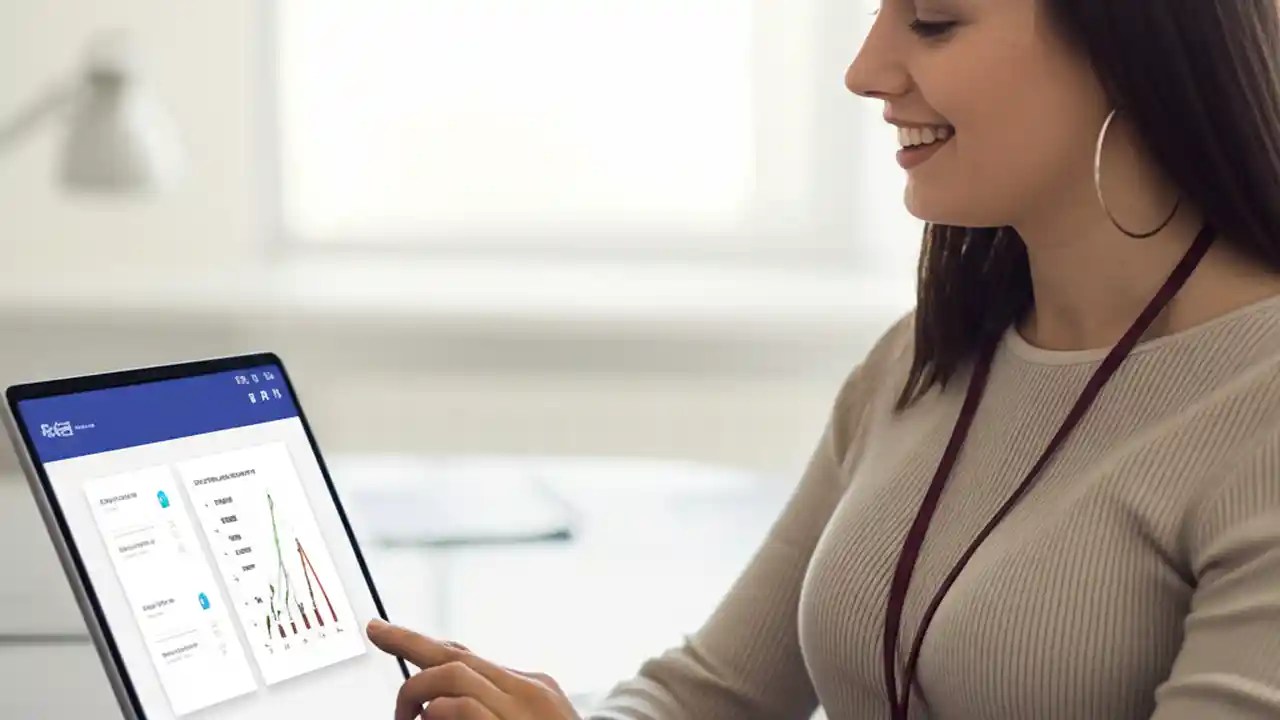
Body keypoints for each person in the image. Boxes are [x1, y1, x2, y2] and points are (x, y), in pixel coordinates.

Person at [363, 0, 1280, 716]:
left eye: (934, 22)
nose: (865, 70)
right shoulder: (919, 364)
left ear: (1134, 46)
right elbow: (709, 695)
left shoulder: (1259, 409)